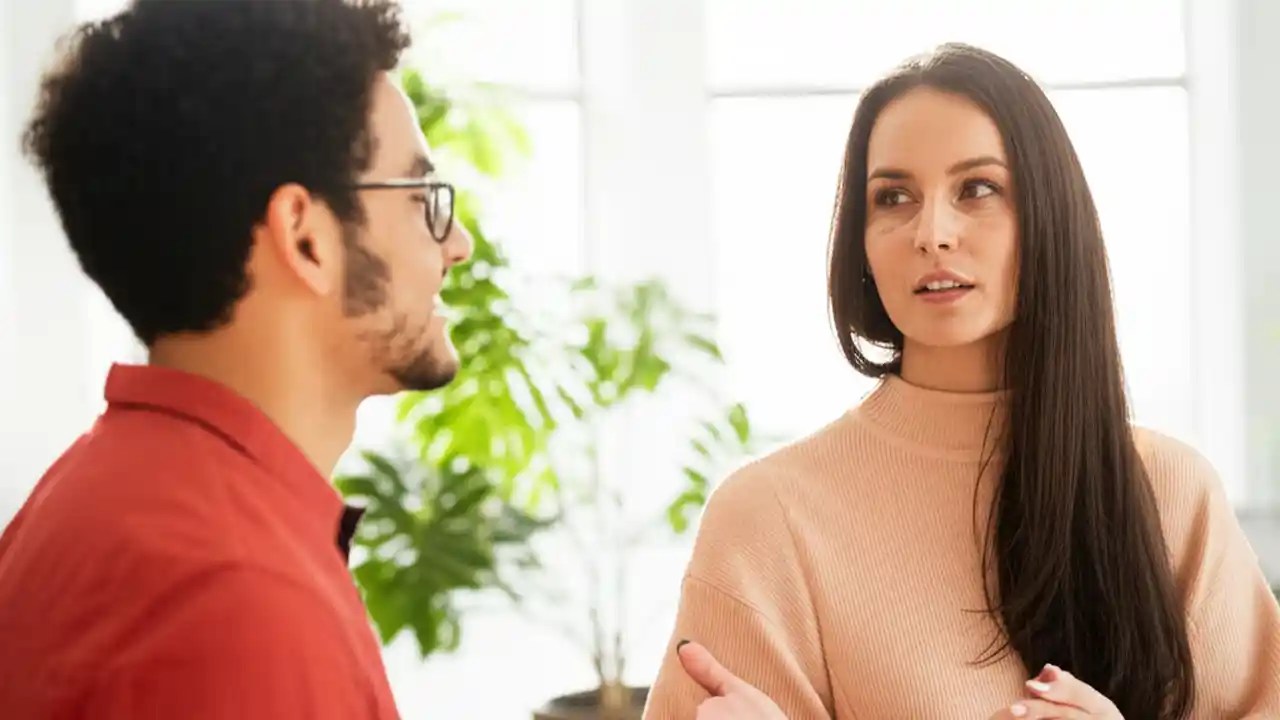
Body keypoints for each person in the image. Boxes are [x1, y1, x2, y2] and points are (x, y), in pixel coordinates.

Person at [0, 1, 733, 717]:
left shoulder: (72, 510)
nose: (457, 246)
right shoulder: (243, 602)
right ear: (306, 237)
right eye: (423, 197)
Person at [644, 43, 1280, 720]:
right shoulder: (767, 521)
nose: (932, 233)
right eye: (893, 197)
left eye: (977, 189)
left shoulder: (1171, 494)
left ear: (1048, 217)